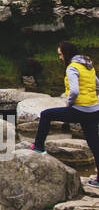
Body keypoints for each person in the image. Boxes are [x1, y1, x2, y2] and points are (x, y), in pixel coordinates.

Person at [32, 40, 99, 185]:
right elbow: (97, 85)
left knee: (46, 115)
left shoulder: (72, 68)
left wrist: (69, 103)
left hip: (79, 109)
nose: (60, 57)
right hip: (94, 110)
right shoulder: (87, 66)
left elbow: (74, 90)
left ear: (66, 54)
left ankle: (38, 146)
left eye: (60, 54)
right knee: (94, 144)